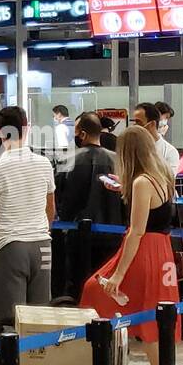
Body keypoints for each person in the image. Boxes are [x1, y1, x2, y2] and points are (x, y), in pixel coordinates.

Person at [79, 125, 181, 365]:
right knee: (153, 316)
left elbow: (136, 231)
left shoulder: (141, 183)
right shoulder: (162, 175)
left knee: (98, 294)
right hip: (161, 251)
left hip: (143, 250)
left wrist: (118, 274)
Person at [0, 106, 55, 324]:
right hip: (42, 244)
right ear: (27, 128)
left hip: (11, 245)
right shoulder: (44, 164)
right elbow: (50, 208)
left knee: (10, 318)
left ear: (0, 132)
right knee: (39, 318)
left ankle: (12, 359)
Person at [55, 112, 123, 298]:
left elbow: (59, 200)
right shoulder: (119, 161)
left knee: (78, 287)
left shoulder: (66, 161)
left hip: (77, 236)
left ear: (82, 134)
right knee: (107, 288)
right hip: (114, 235)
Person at [132, 101, 180, 175]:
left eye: (138, 122)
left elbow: (169, 178)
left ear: (152, 124)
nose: (135, 126)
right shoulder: (131, 146)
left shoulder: (170, 152)